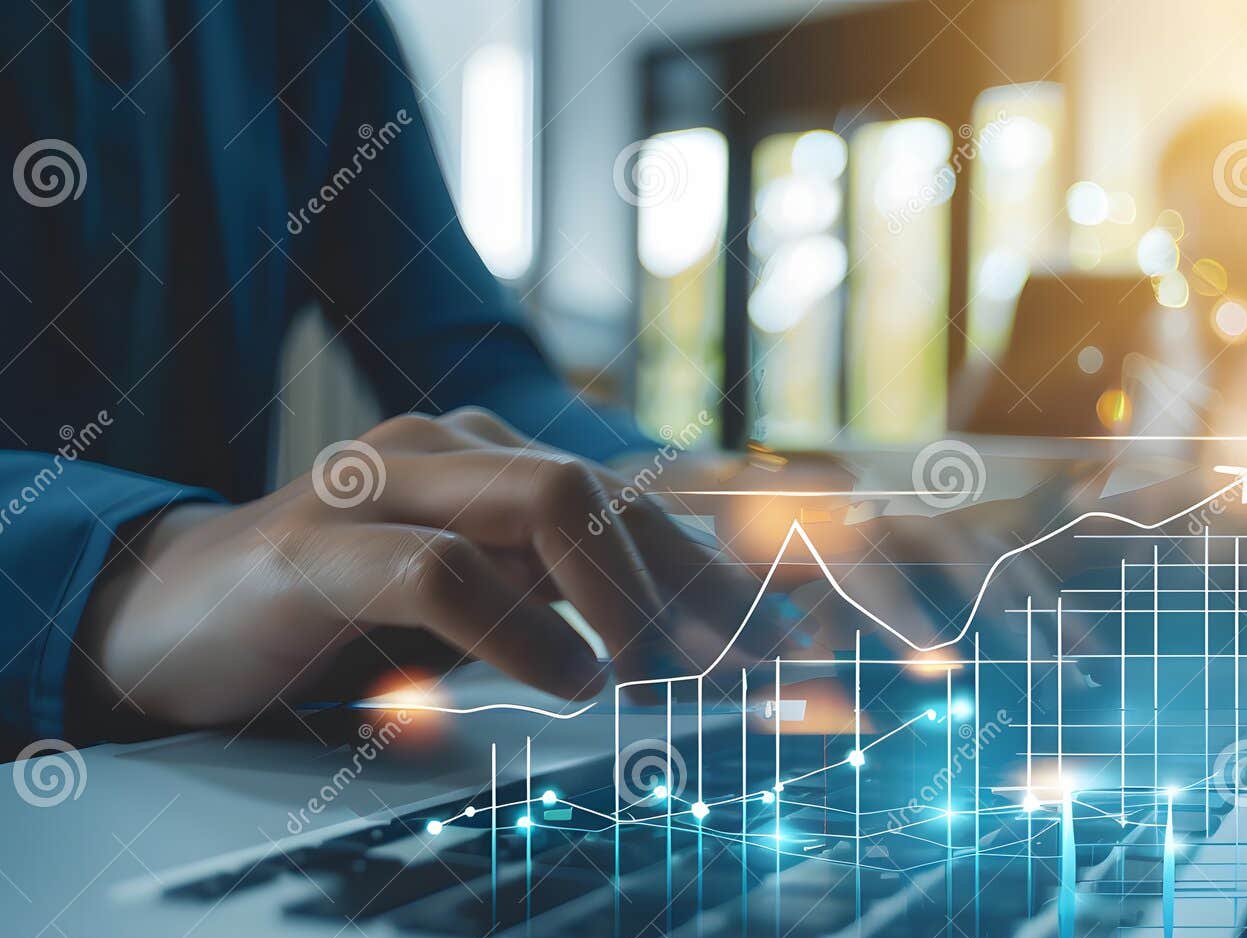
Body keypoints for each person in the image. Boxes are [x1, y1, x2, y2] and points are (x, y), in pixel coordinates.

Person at [0, 0, 783, 753]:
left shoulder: (317, 19)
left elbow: (466, 359)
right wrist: (116, 575)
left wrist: (671, 482)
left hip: (224, 748)